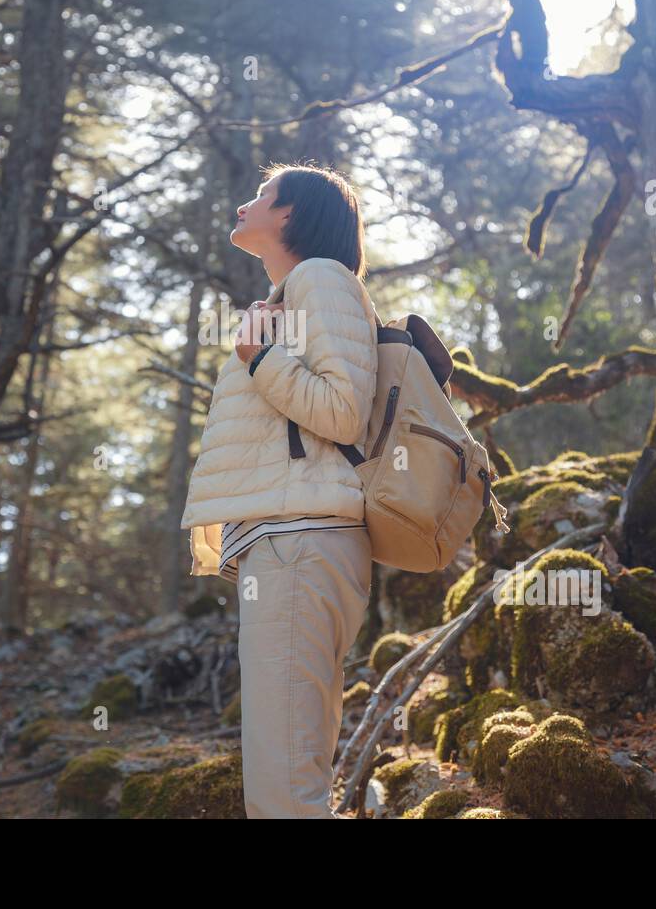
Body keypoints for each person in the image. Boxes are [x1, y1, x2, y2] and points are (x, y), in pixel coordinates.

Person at [180, 161, 379, 818]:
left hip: (302, 541)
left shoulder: (319, 279)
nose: (245, 204)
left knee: (282, 789)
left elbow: (343, 411)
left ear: (291, 214)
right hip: (293, 546)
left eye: (262, 196)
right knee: (290, 772)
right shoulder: (294, 293)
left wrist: (259, 359)